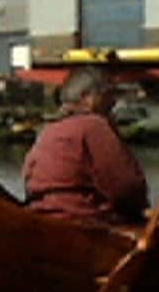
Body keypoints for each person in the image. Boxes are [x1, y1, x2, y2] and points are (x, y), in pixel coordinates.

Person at [21, 67, 150, 225]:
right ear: (87, 97)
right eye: (107, 95)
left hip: (42, 218)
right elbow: (127, 188)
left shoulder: (48, 130)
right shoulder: (94, 126)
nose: (113, 102)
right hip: (84, 222)